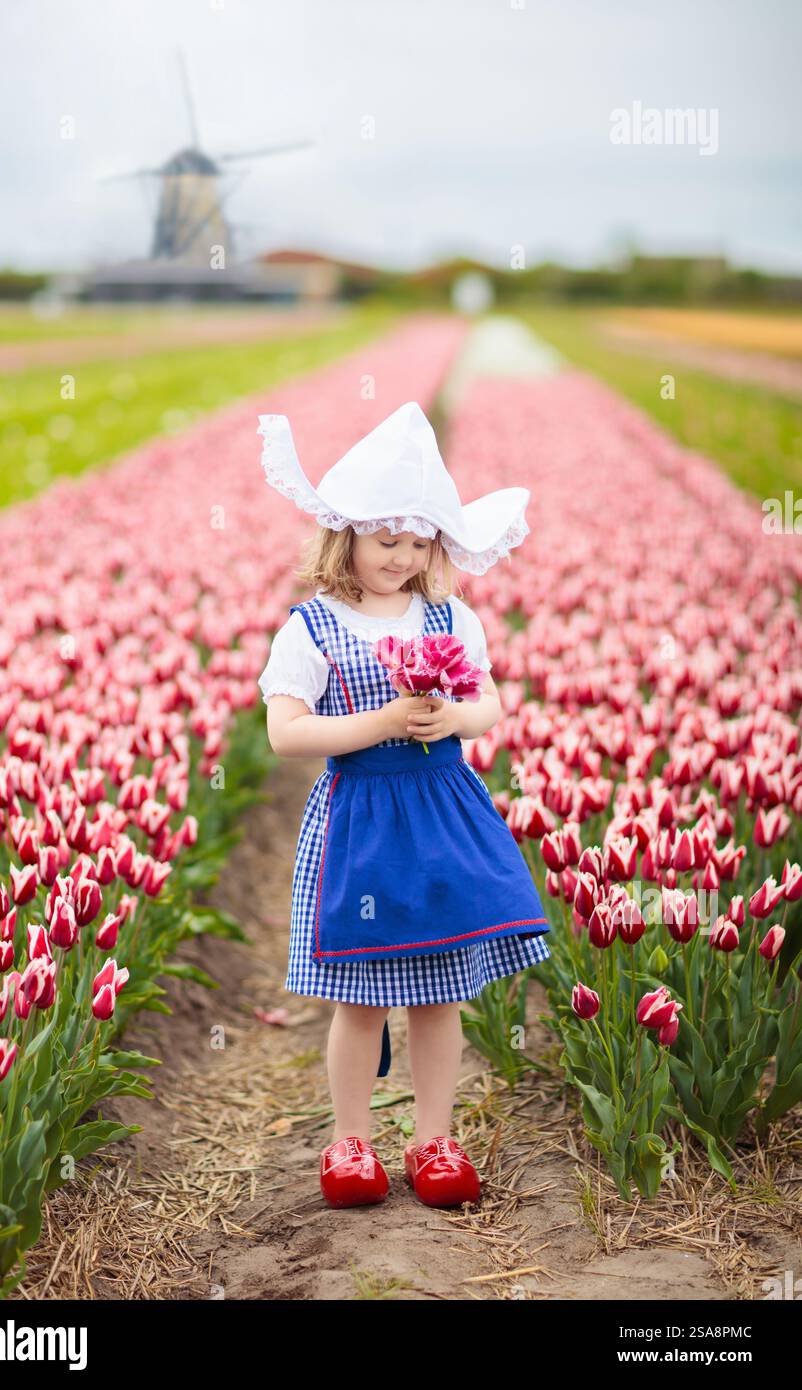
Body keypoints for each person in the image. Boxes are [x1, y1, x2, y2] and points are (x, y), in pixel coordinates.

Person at [255, 401, 551, 1211]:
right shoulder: (311, 628)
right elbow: (287, 734)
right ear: (344, 532)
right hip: (363, 819)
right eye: (387, 539)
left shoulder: (452, 616)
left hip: (442, 810)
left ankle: (432, 1137)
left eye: (420, 542)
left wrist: (456, 717)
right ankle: (351, 1141)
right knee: (361, 997)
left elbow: (491, 703)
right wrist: (383, 722)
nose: (403, 556)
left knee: (438, 991)